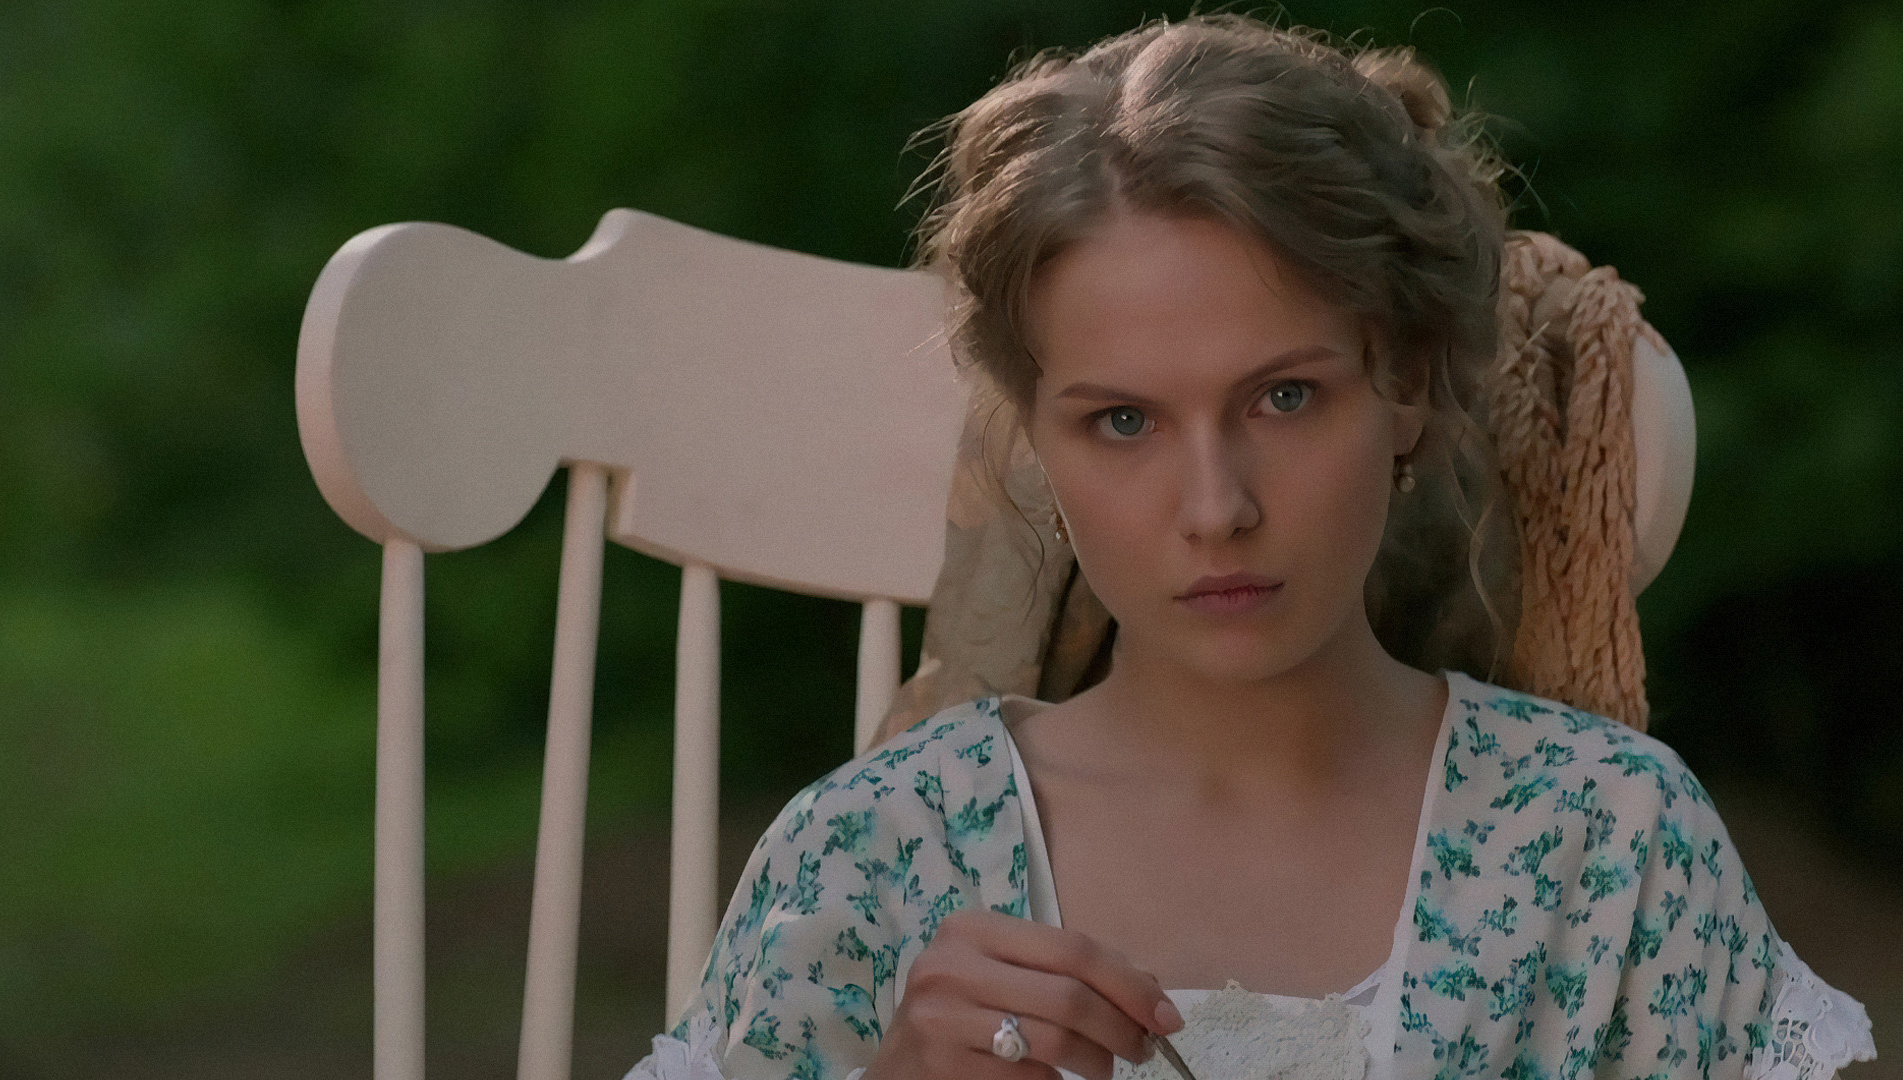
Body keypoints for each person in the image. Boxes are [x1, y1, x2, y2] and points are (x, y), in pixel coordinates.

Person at [624, 15, 1877, 1080]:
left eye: (1284, 397)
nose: (1216, 506)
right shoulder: (878, 859)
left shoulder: (1605, 846)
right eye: (1124, 422)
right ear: (1037, 440)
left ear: (1405, 382)